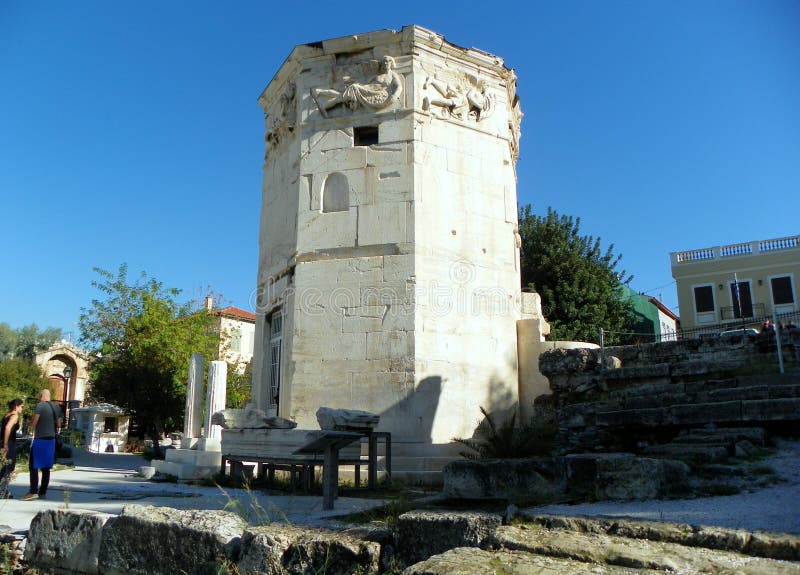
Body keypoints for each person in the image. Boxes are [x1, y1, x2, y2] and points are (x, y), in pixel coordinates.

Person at [23, 389, 62, 501]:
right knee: (46, 467)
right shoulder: (57, 407)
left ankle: (33, 491)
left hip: (40, 439)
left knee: (33, 466)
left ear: (41, 396)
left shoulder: (40, 406)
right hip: (51, 440)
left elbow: (34, 422)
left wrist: (28, 423)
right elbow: (59, 424)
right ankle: (43, 492)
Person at [0, 398, 24, 498]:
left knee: (4, 467)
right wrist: (6, 444)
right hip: (9, 443)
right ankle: (2, 491)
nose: (23, 409)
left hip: (3, 442)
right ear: (16, 406)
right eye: (21, 407)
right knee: (9, 467)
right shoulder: (14, 416)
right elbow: (7, 428)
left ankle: (2, 490)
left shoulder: (7, 415)